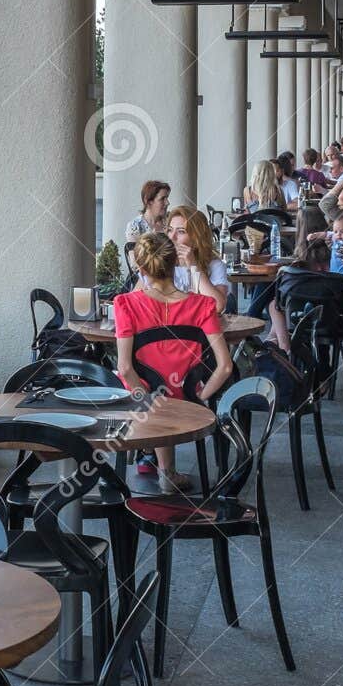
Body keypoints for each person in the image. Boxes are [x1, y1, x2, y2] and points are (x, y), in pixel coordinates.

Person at [115, 233, 233, 494]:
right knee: (167, 379)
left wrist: (145, 402)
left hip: (144, 401)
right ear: (174, 264)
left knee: (147, 380)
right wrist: (201, 395)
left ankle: (149, 466)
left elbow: (125, 368)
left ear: (142, 268)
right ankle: (166, 472)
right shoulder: (203, 305)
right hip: (185, 396)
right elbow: (225, 366)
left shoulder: (125, 304)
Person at [161, 205, 231, 309]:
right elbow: (135, 300)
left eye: (181, 231)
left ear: (196, 238)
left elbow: (218, 306)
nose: (172, 237)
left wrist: (193, 265)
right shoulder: (160, 261)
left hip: (199, 324)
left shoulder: (214, 265)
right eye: (170, 230)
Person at [126, 179, 170, 249]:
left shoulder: (171, 221)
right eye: (162, 199)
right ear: (148, 201)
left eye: (167, 198)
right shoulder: (135, 226)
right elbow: (135, 259)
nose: (167, 203)